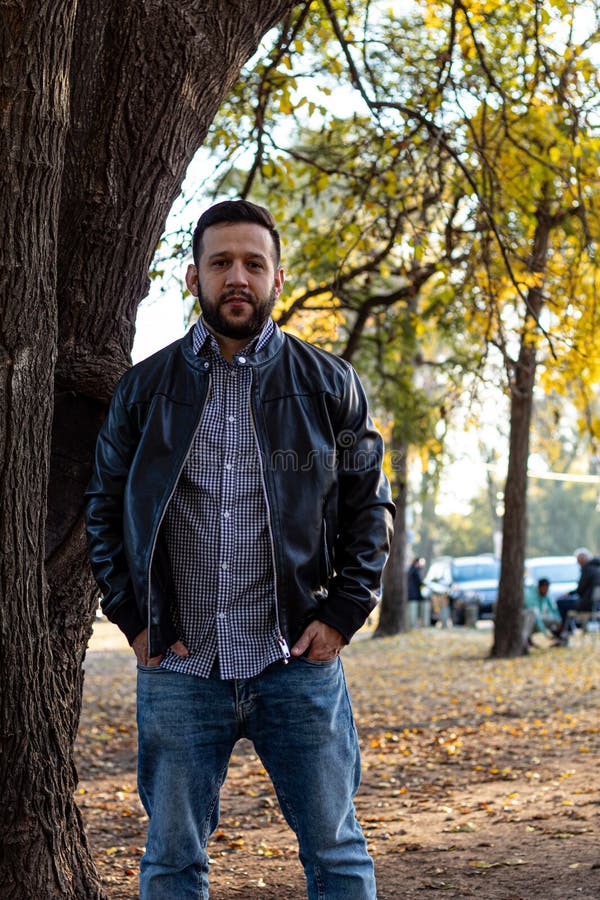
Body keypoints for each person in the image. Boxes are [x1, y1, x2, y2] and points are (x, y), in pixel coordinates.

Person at [85, 199, 395, 900]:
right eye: (221, 262)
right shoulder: (143, 388)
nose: (237, 277)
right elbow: (104, 509)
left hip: (295, 662)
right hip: (179, 667)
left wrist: (342, 616)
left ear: (277, 279)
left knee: (337, 855)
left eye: (254, 263)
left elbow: (368, 505)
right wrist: (136, 621)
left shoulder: (330, 384)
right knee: (170, 863)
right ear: (192, 276)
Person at [556, 548, 600, 642]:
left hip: (586, 604)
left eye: (578, 561)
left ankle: (566, 631)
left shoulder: (587, 569)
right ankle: (567, 630)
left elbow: (580, 590)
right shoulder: (597, 567)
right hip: (596, 605)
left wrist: (569, 594)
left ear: (583, 560)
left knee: (560, 602)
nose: (578, 564)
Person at [521, 577, 561, 650]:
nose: (546, 591)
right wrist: (545, 633)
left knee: (554, 620)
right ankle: (525, 640)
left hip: (536, 619)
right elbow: (536, 616)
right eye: (544, 589)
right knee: (532, 614)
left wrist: (558, 620)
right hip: (524, 619)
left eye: (547, 589)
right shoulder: (530, 596)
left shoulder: (546, 594)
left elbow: (553, 608)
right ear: (539, 587)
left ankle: (558, 638)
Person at [407, 557, 427, 628]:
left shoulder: (410, 569)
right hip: (414, 594)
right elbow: (420, 582)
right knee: (413, 611)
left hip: (410, 594)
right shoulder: (416, 570)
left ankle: (411, 624)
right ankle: (413, 625)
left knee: (411, 611)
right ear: (417, 562)